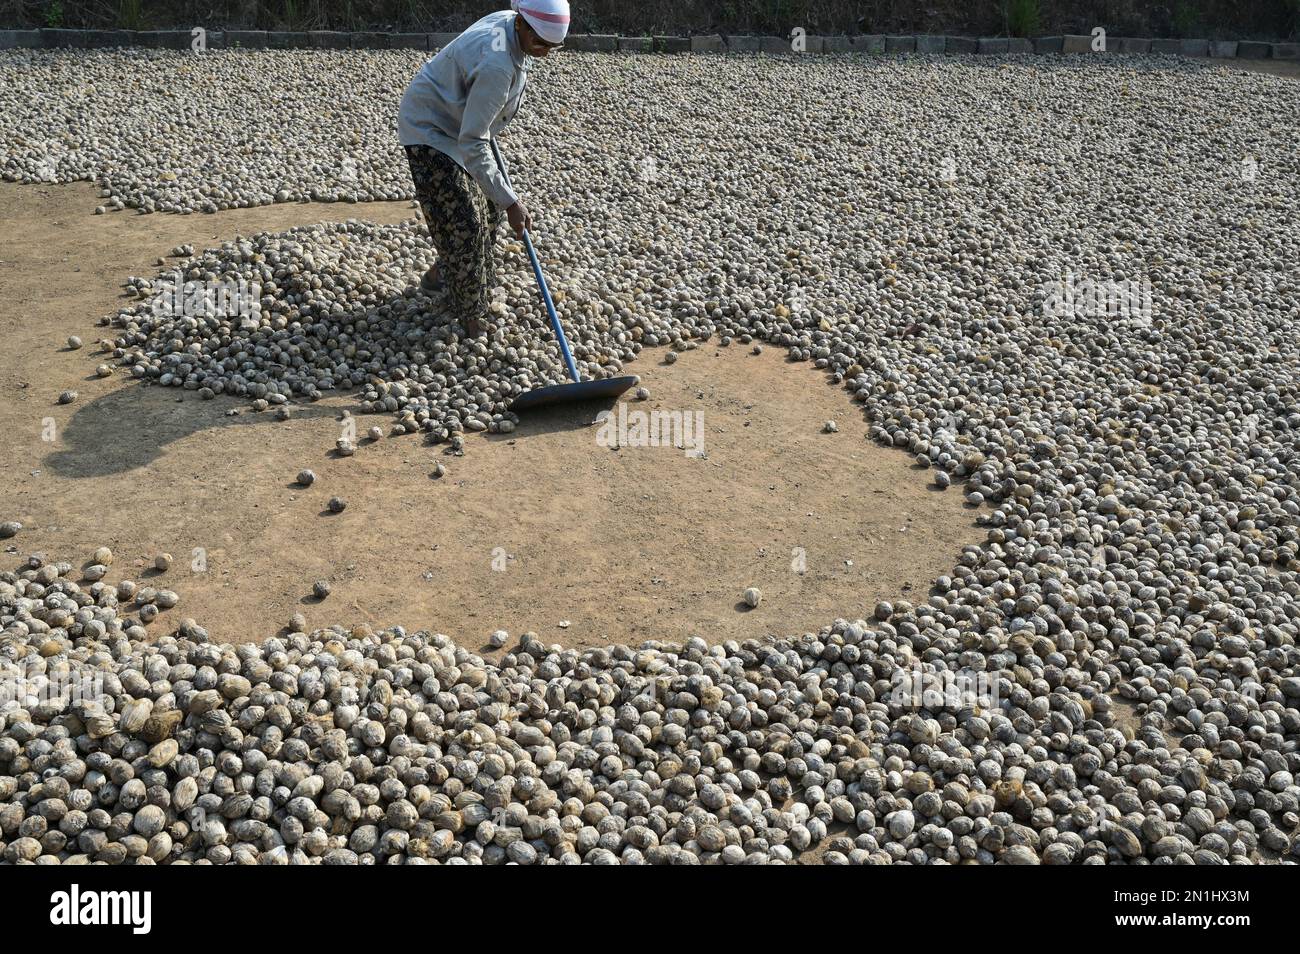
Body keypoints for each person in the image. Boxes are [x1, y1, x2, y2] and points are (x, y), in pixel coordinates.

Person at [397, 1, 570, 337]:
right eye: (540, 44)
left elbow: (478, 130)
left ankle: (446, 277)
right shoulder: (498, 66)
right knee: (465, 220)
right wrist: (512, 201)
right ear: (521, 23)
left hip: (457, 119)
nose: (545, 52)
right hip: (430, 127)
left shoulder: (511, 26)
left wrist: (501, 202)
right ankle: (470, 314)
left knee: (488, 210)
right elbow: (473, 141)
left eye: (553, 47)